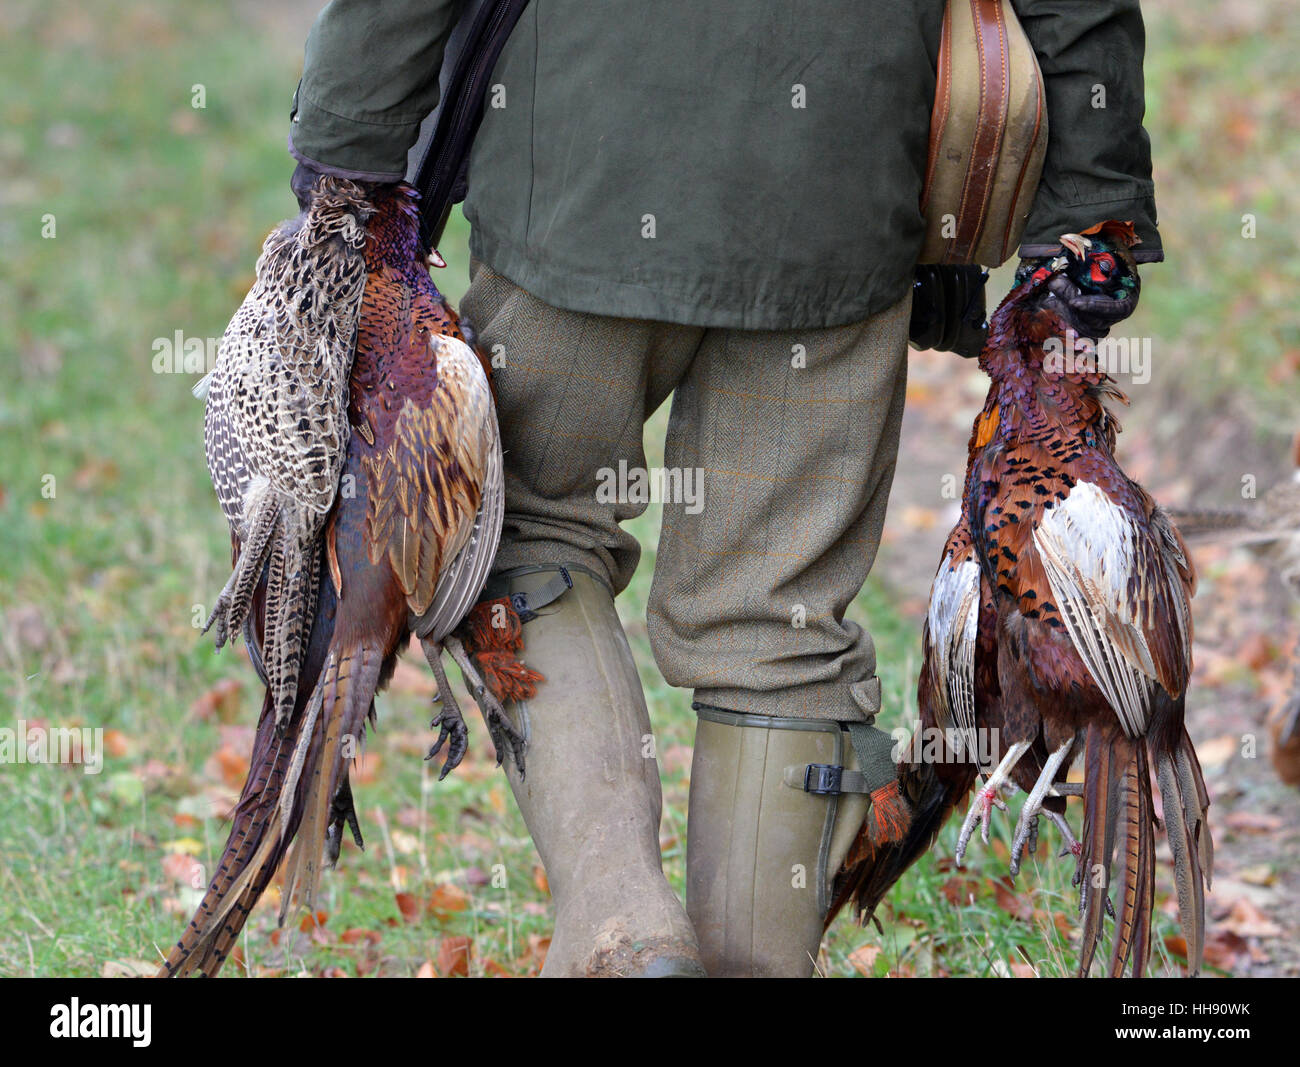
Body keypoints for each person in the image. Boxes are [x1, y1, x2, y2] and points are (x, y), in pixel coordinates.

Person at [286, 0, 1161, 977]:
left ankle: (622, 929)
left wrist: (345, 159)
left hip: (580, 164)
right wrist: (1091, 220)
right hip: (840, 172)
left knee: (518, 532)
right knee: (774, 615)